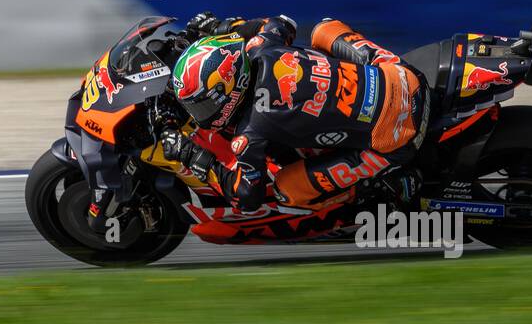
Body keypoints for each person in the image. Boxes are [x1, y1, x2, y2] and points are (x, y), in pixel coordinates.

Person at [161, 12, 429, 213]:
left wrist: (195, 156)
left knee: (286, 189)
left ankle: (370, 194)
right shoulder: (261, 47)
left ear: (232, 87)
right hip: (403, 76)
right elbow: (282, 22)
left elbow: (246, 198)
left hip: (395, 137)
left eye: (203, 104)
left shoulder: (250, 133)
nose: (200, 113)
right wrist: (227, 28)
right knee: (324, 28)